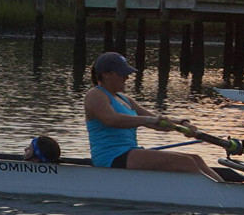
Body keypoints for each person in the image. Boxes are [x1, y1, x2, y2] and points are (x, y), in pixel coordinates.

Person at [83, 52, 220, 179]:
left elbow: (157, 122)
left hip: (130, 152)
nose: (127, 77)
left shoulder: (126, 99)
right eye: (122, 73)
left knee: (196, 158)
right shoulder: (95, 94)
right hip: (111, 158)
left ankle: (227, 191)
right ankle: (218, 197)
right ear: (105, 74)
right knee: (185, 162)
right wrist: (147, 120)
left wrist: (183, 123)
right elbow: (111, 120)